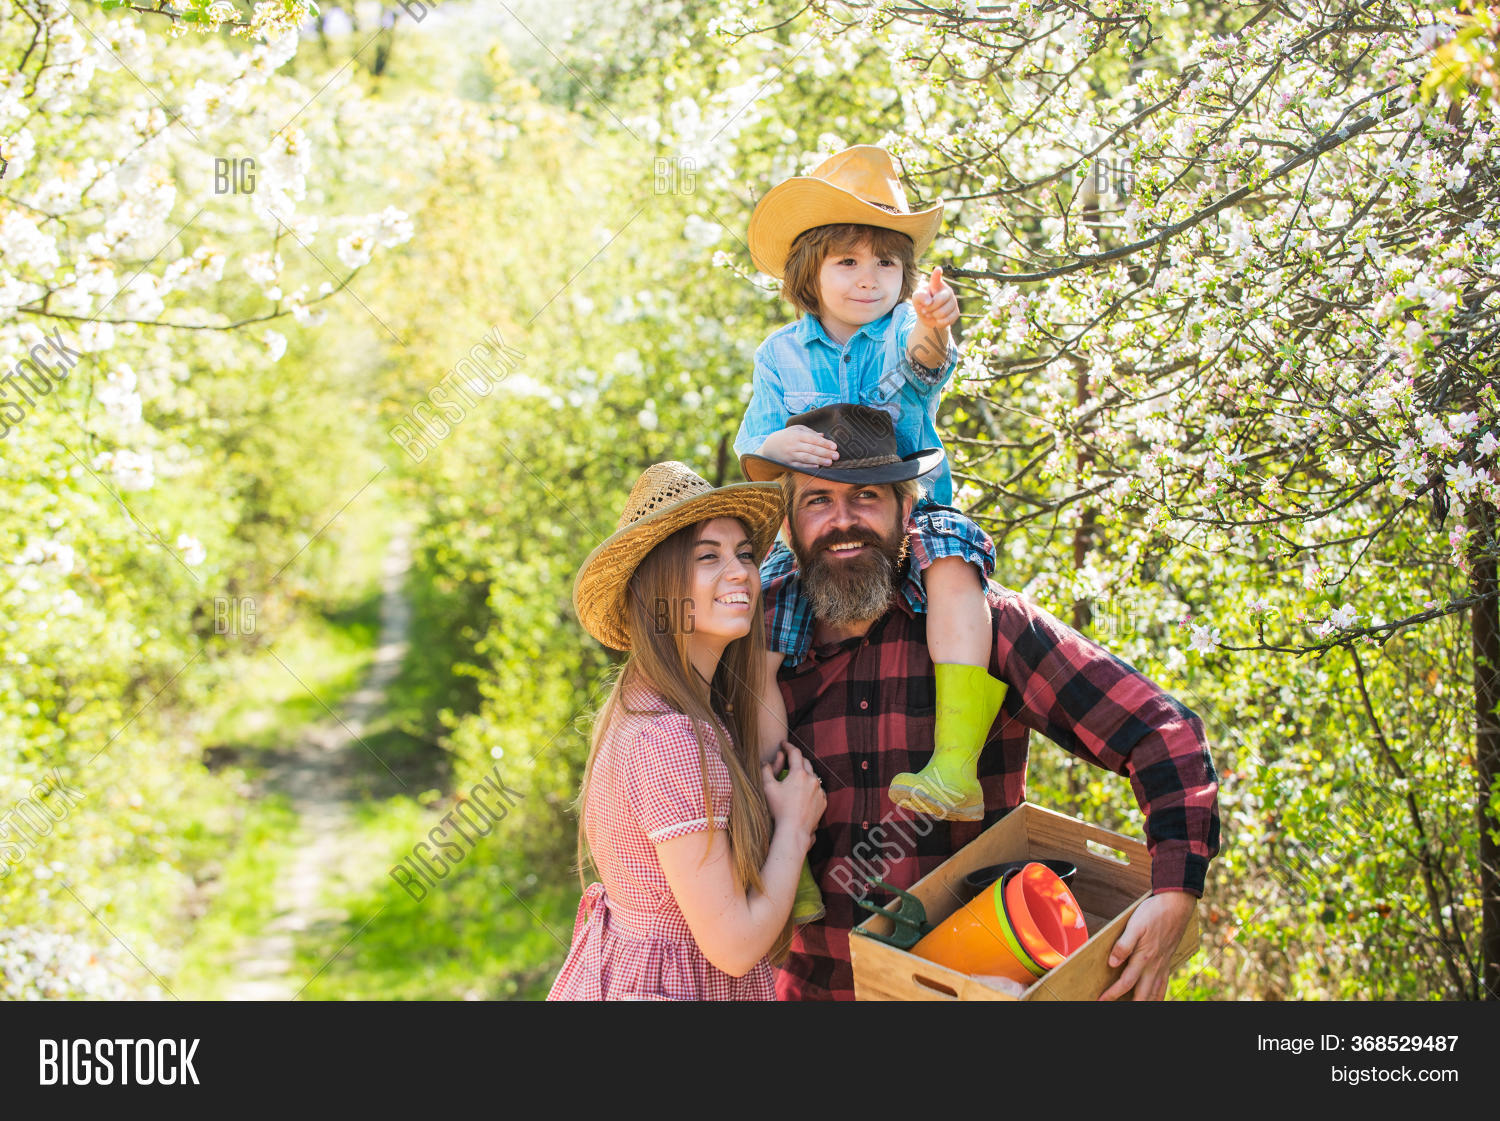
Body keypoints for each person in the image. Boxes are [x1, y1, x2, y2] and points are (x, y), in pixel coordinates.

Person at [741, 405, 1222, 1002]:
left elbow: (1163, 734)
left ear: (906, 510)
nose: (843, 521)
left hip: (973, 980)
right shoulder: (750, 647)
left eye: (866, 495)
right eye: (818, 501)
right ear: (788, 526)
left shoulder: (983, 624)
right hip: (808, 990)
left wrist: (1175, 892)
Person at [735, 145, 999, 823]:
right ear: (809, 269)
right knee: (763, 622)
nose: (868, 279)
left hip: (910, 513)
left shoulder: (903, 328)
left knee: (952, 564)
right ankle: (765, 794)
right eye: (846, 262)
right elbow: (754, 443)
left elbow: (925, 360)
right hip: (817, 529)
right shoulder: (779, 354)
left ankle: (955, 763)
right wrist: (777, 444)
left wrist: (935, 323)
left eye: (885, 262)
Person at [548, 461, 827, 1000]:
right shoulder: (671, 736)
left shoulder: (645, 700)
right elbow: (734, 946)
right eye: (708, 557)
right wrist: (795, 827)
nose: (740, 572)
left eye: (744, 553)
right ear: (659, 588)